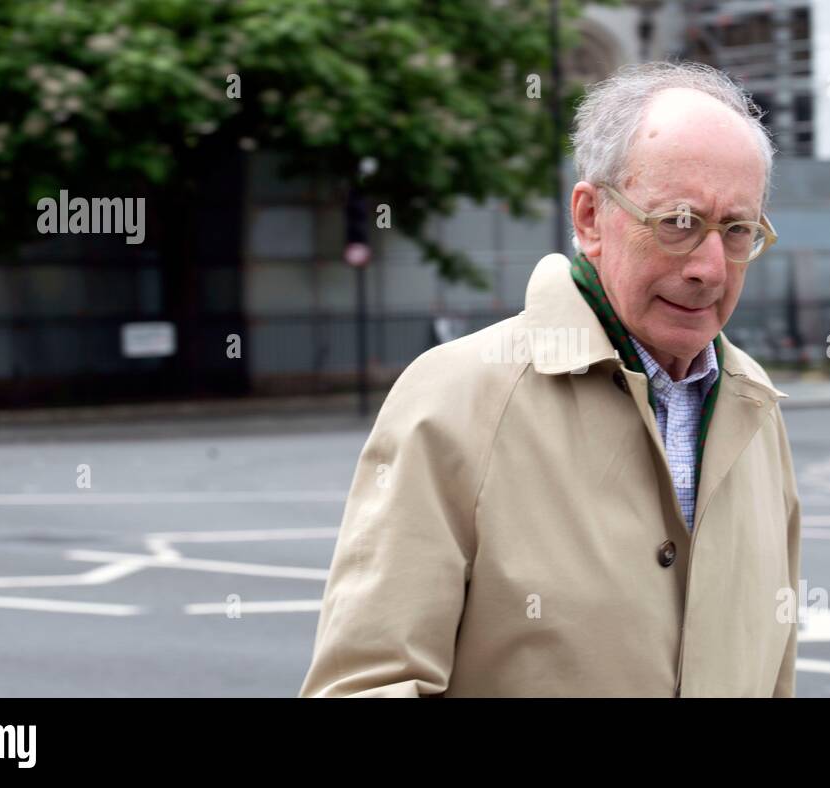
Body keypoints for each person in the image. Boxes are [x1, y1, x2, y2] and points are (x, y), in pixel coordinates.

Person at [298, 62, 801, 697]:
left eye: (737, 231)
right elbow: (367, 685)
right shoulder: (457, 395)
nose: (709, 267)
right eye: (677, 222)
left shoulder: (755, 406)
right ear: (591, 217)